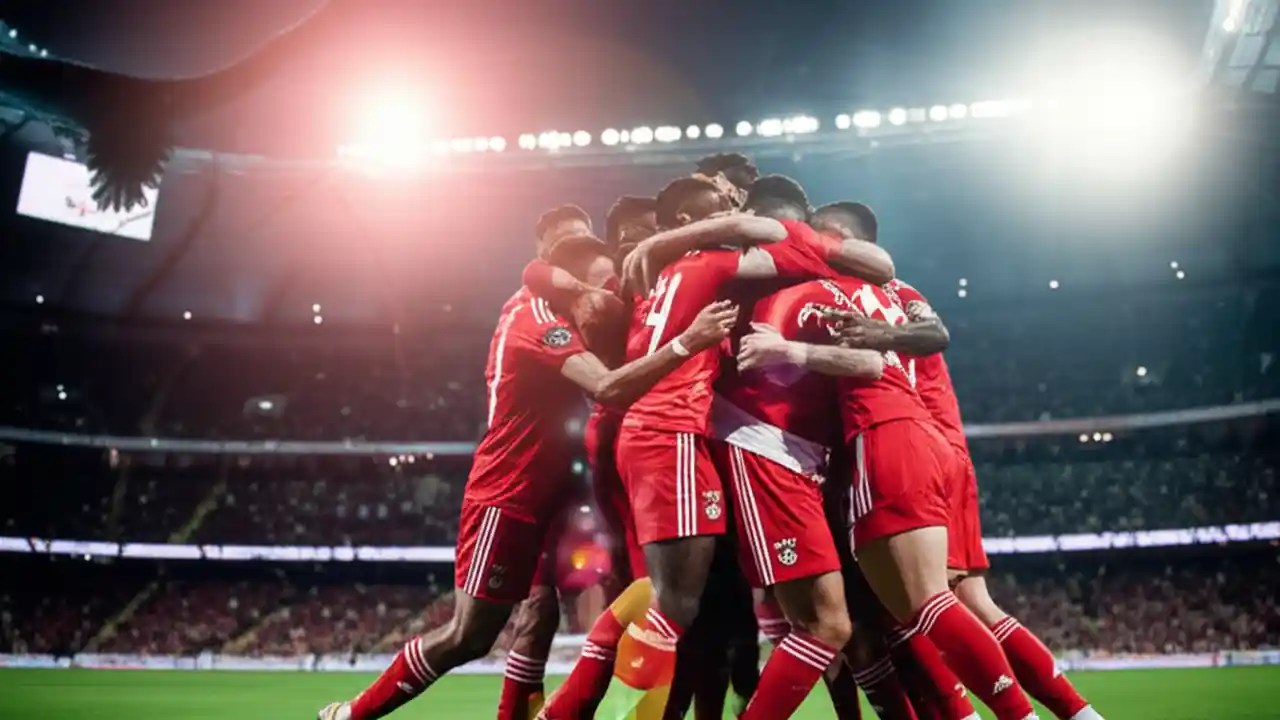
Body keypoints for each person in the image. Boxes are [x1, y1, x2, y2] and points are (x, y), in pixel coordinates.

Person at [315, 210, 738, 720]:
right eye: (598, 285)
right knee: (469, 636)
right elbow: (606, 386)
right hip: (508, 493)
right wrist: (686, 342)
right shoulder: (535, 319)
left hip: (554, 488)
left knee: (539, 618)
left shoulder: (561, 304)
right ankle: (351, 715)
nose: (608, 298)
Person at [814, 201, 1105, 720]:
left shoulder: (868, 296)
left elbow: (928, 337)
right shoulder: (900, 295)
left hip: (903, 446)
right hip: (947, 452)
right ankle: (1079, 713)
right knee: (972, 605)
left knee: (917, 610)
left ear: (846, 239)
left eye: (824, 239)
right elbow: (934, 333)